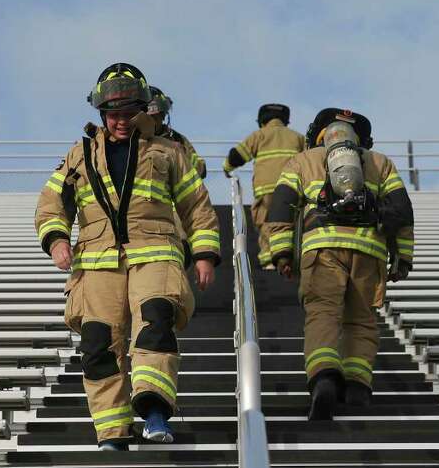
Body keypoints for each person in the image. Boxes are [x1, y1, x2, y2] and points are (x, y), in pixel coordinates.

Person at [35, 63, 221, 450]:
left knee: (156, 321)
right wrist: (56, 240)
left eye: (129, 113)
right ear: (102, 114)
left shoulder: (169, 151)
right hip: (95, 265)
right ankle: (112, 433)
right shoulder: (79, 155)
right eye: (113, 114)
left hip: (156, 256)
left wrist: (204, 254)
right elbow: (51, 203)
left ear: (142, 111)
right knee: (99, 344)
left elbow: (196, 207)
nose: (121, 121)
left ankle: (154, 412)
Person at [262, 108, 414, 420]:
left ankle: (324, 377)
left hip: (322, 250)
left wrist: (281, 253)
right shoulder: (381, 163)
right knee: (361, 321)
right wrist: (403, 258)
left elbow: (280, 208)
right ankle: (357, 385)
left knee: (323, 315)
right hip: (369, 252)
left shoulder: (302, 161)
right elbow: (402, 213)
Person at [222, 104, 306, 269]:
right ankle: (292, 258)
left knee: (266, 222)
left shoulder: (259, 136)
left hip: (266, 189)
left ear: (261, 120)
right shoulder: (297, 137)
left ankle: (269, 261)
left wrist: (227, 168)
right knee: (292, 222)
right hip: (291, 187)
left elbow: (237, 156)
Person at [146, 86, 207, 179]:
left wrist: (182, 152)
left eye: (154, 117)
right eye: (146, 117)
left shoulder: (177, 139)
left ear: (163, 115)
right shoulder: (130, 138)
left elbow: (202, 171)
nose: (151, 121)